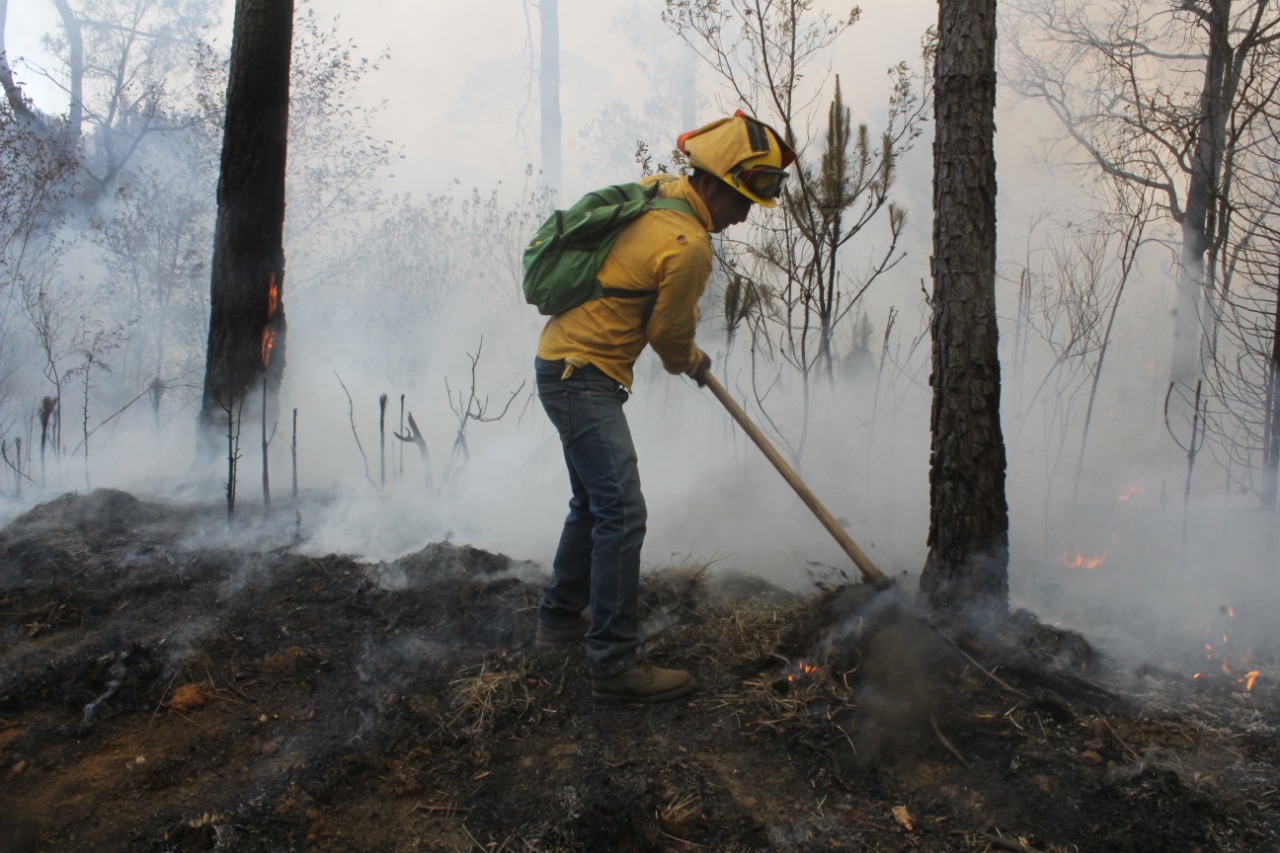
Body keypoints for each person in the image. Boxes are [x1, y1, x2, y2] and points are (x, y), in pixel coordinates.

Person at [533, 112, 796, 703]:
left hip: (560, 364)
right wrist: (692, 361)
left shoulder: (661, 192)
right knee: (622, 512)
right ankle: (613, 666)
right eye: (740, 198)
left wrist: (687, 356)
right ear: (711, 184)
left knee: (594, 504)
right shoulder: (689, 245)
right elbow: (669, 337)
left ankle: (556, 623)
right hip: (582, 377)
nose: (745, 214)